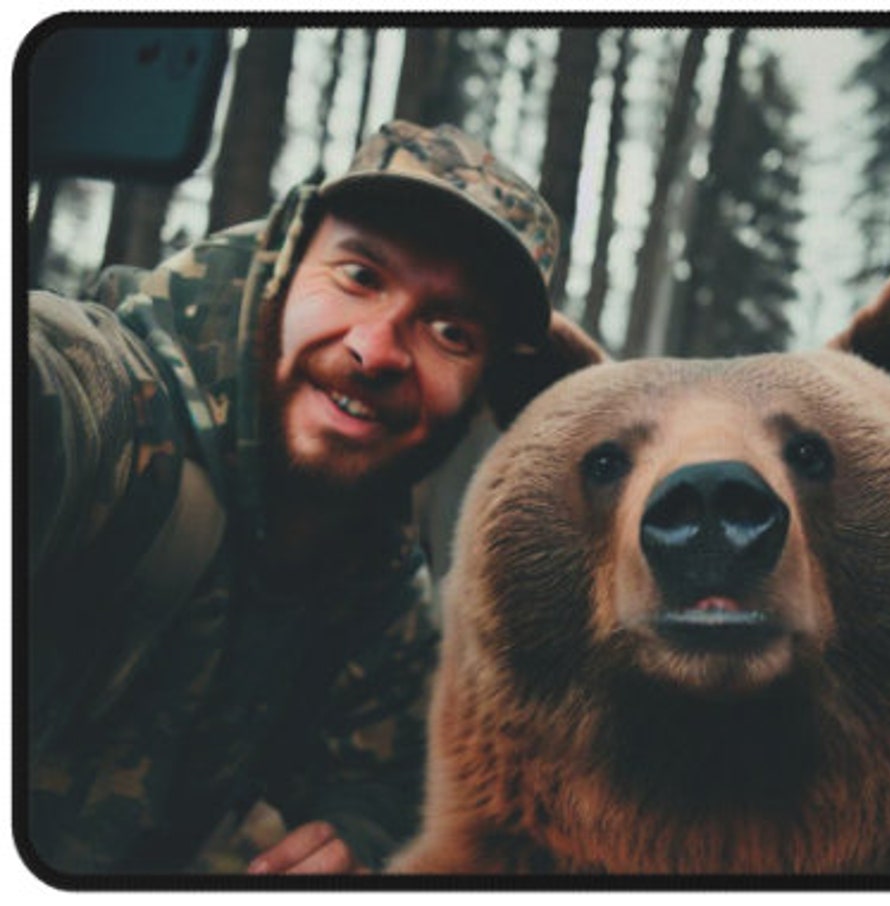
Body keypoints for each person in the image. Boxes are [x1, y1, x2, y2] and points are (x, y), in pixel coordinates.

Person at [26, 120, 603, 876]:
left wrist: (358, 837)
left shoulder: (373, 579)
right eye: (360, 276)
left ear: (482, 390)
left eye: (451, 331)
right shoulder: (114, 409)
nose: (377, 349)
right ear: (286, 263)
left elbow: (405, 777)